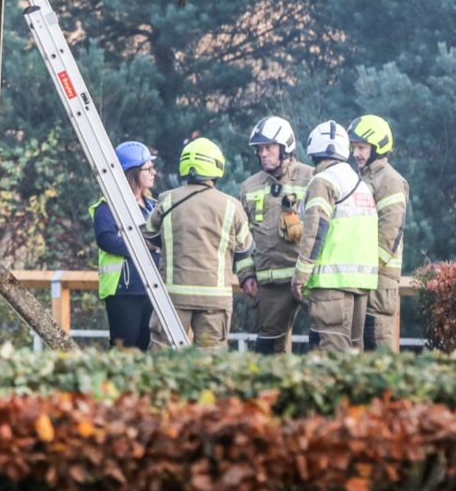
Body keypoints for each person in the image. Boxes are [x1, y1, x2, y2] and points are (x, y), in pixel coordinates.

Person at [142, 137, 255, 348]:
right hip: (215, 299)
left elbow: (148, 235)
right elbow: (246, 249)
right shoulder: (232, 206)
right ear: (217, 167)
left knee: (162, 360)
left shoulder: (167, 200)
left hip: (173, 297)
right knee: (209, 362)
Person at [294, 120, 378, 352]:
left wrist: (301, 275)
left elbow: (315, 229)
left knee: (332, 352)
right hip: (360, 284)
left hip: (332, 284)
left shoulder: (324, 181)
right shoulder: (359, 183)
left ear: (313, 152)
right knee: (353, 353)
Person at [239, 115, 314, 354]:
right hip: (271, 282)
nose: (263, 153)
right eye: (259, 149)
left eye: (268, 147)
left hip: (310, 278)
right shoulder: (249, 187)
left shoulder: (312, 178)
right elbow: (242, 237)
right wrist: (246, 274)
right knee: (269, 348)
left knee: (325, 339)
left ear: (285, 147)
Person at [91, 141, 160, 349]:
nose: (153, 172)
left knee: (146, 346)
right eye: (148, 168)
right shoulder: (107, 207)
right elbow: (106, 240)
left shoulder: (153, 207)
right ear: (132, 172)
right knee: (124, 347)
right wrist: (144, 246)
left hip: (153, 287)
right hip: (123, 290)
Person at [350, 114, 408, 352]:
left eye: (362, 147)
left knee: (378, 344)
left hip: (379, 278)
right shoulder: (362, 178)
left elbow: (390, 232)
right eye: (354, 147)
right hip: (362, 277)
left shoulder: (390, 180)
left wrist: (369, 268)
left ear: (379, 147)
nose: (356, 153)